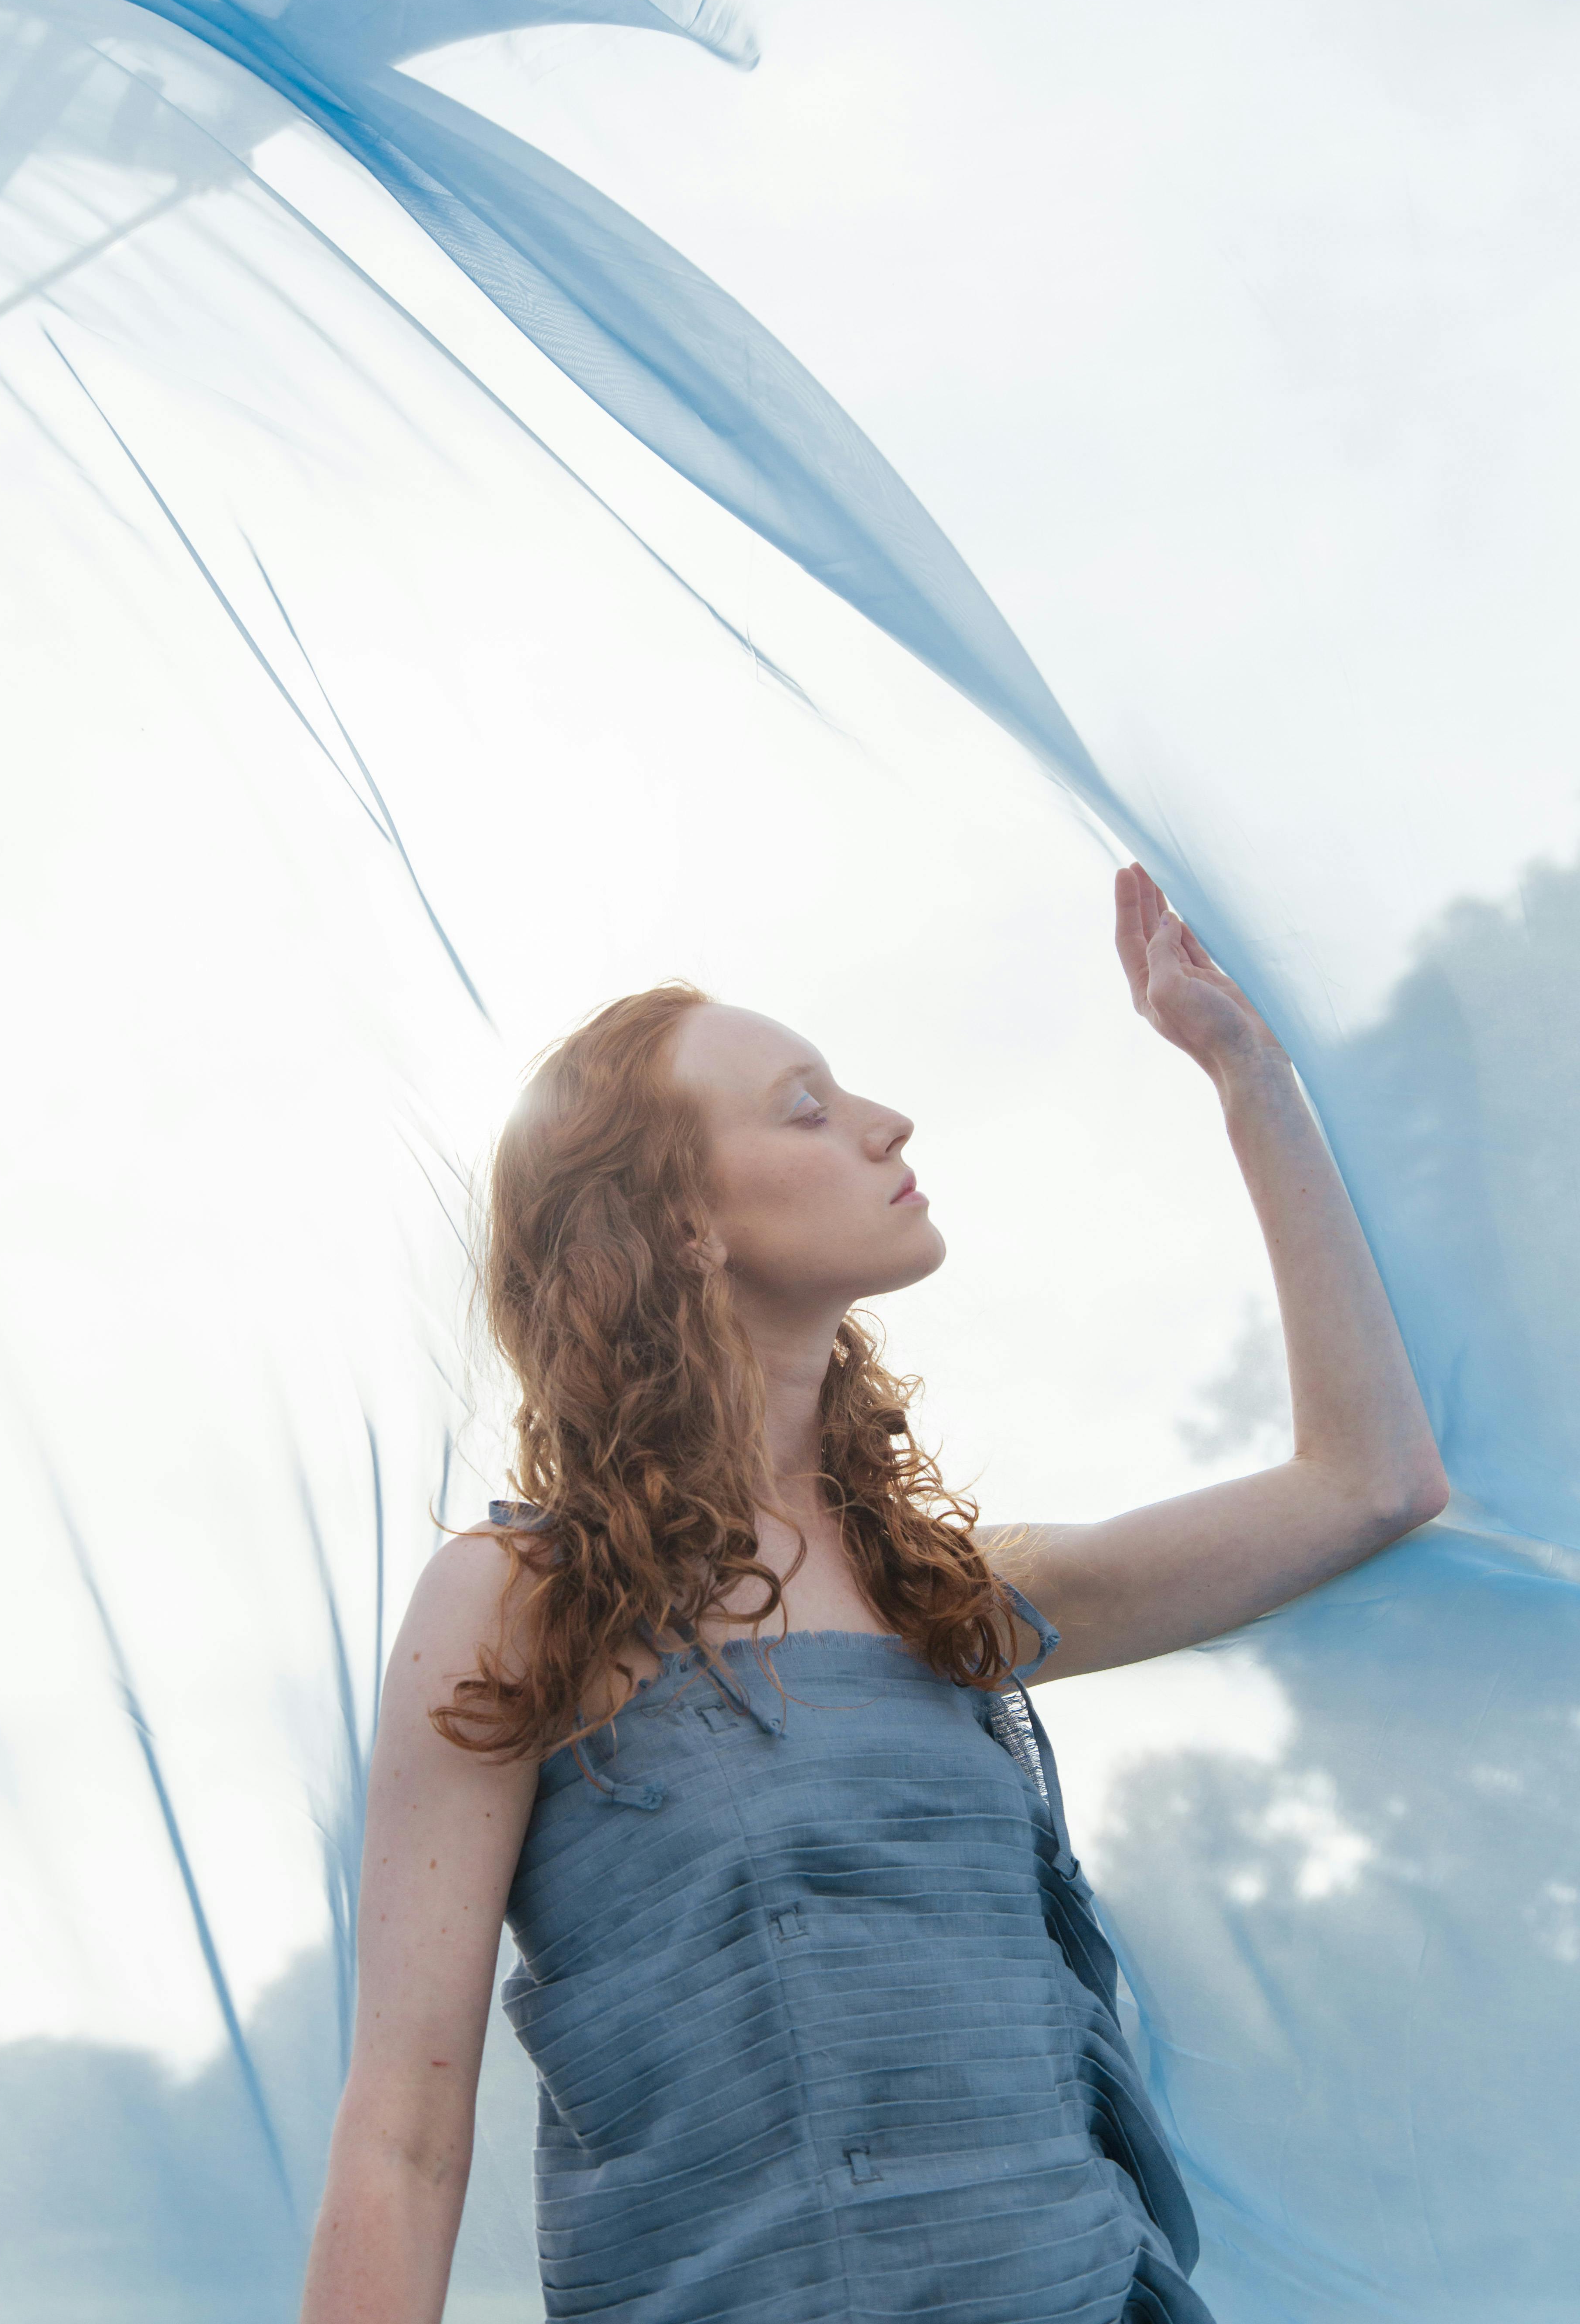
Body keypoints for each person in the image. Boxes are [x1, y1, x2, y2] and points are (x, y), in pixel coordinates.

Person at [299, 862, 1448, 2324]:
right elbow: (402, 2133)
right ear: (680, 1229)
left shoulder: (948, 1596)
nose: (886, 1123)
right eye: (804, 1107)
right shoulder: (522, 1599)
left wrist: (1248, 1074)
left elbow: (1370, 1483)